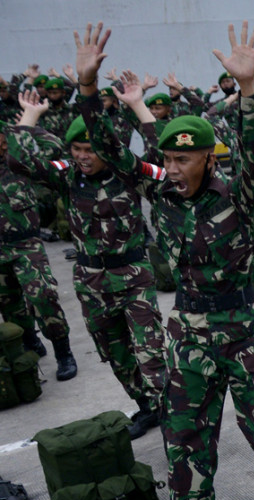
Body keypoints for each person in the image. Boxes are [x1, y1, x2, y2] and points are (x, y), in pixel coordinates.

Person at [75, 20, 254, 500]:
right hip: (188, 332)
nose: (172, 168)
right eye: (167, 158)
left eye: (183, 159)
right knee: (184, 433)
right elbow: (109, 149)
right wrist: (88, 88)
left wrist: (249, 92)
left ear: (209, 157)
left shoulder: (241, 195)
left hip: (243, 330)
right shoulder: (161, 192)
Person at [9, 79, 166, 438]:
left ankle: (170, 412)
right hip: (92, 282)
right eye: (77, 149)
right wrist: (29, 118)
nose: (83, 156)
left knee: (150, 352)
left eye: (90, 149)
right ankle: (147, 408)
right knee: (115, 354)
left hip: (133, 278)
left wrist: (139, 106)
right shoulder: (67, 176)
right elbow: (21, 162)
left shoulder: (127, 172)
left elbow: (160, 154)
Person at [0, 129, 78, 380]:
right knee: (9, 303)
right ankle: (29, 343)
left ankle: (63, 352)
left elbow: (54, 146)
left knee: (43, 296)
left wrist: (25, 127)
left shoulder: (19, 163)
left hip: (26, 244)